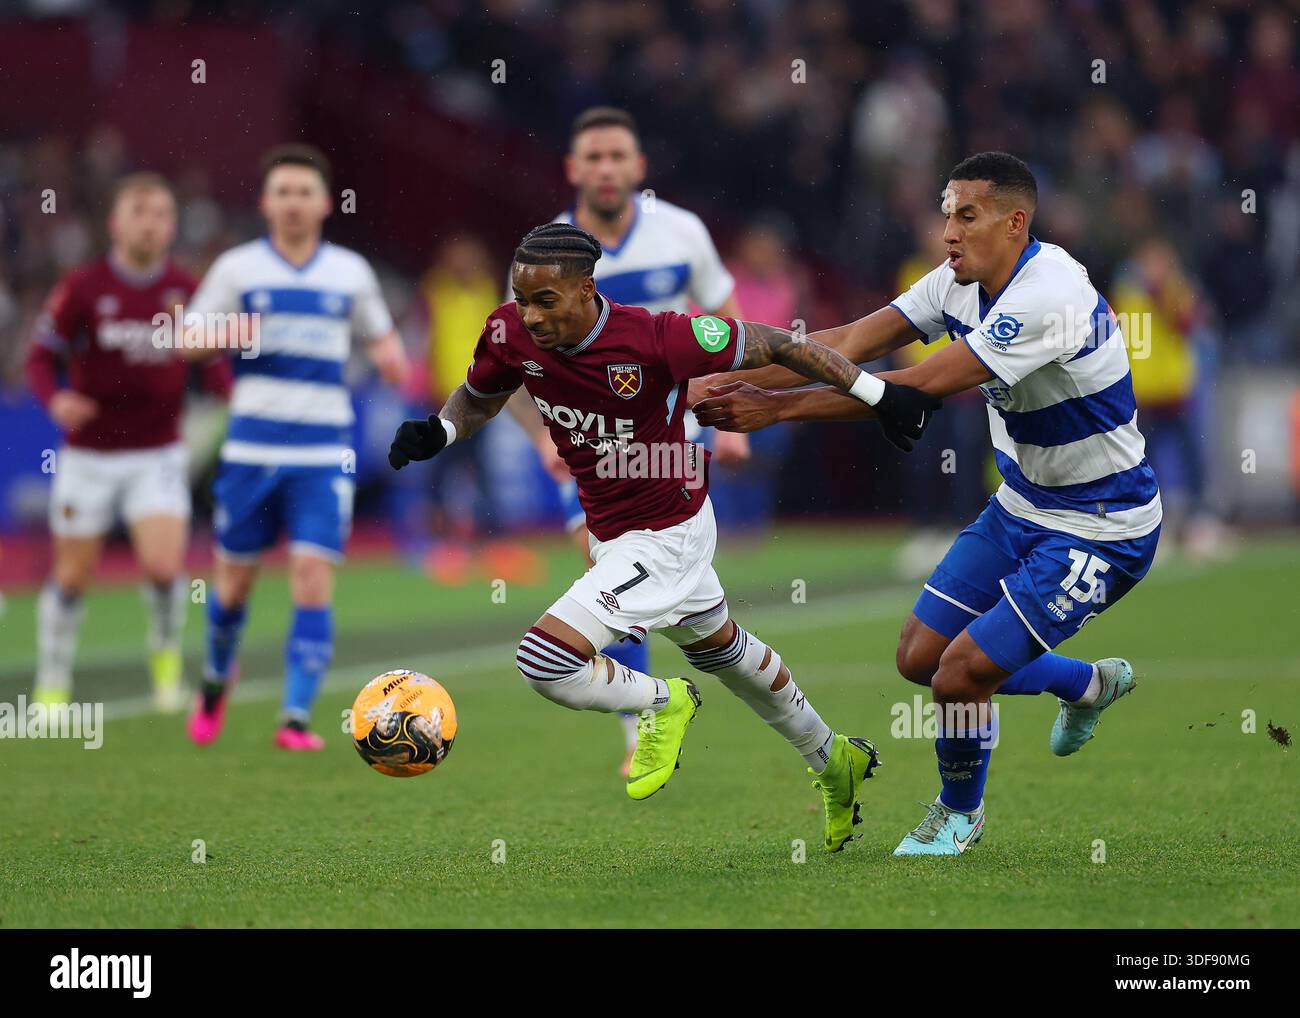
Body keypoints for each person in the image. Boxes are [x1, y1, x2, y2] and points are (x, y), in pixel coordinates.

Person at [390, 222, 938, 850]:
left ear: (586, 290)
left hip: (666, 531)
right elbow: (483, 392)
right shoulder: (509, 331)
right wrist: (441, 431)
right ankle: (832, 756)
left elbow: (779, 345)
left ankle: (663, 700)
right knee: (728, 655)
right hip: (611, 532)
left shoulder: (656, 336)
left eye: (546, 301)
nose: (531, 315)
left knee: (543, 659)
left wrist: (878, 394)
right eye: (521, 298)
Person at [694, 153, 1163, 856]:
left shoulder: (1050, 295)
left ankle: (957, 814)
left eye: (965, 215)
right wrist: (717, 369)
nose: (948, 231)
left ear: (1015, 222)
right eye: (946, 212)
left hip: (1103, 524)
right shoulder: (956, 280)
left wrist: (776, 407)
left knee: (961, 673)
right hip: (1022, 505)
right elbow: (846, 343)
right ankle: (1086, 684)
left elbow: (914, 386)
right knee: (920, 657)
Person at [510, 106, 752, 775]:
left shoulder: (681, 232)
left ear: (638, 166)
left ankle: (721, 698)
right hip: (587, 446)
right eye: (593, 157)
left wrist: (735, 410)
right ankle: (641, 724)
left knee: (684, 600)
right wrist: (539, 434)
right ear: (573, 169)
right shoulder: (544, 255)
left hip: (675, 436)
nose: (606, 168)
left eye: (618, 156)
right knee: (605, 568)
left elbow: (725, 319)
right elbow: (515, 357)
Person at [179, 144, 409, 750]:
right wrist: (238, 330)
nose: (293, 203)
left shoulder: (351, 273)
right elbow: (186, 341)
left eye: (304, 192)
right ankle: (214, 678)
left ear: (325, 203)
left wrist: (390, 360)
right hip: (250, 449)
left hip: (322, 453)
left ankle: (295, 717)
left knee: (311, 576)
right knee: (233, 587)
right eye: (282, 192)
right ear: (265, 202)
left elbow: (387, 346)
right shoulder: (238, 269)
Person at [24, 173, 231, 712]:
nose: (151, 222)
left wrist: (234, 396)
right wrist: (56, 400)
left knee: (164, 569)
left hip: (157, 453)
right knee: (71, 576)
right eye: (139, 211)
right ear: (116, 223)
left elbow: (212, 367)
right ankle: (52, 680)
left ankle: (165, 661)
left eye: (162, 213)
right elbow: (40, 357)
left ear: (172, 226)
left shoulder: (187, 290)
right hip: (88, 455)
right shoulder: (84, 287)